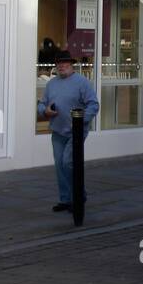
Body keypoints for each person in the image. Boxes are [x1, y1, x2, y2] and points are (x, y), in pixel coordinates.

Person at [37, 52, 100, 213]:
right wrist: (45, 111)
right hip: (58, 131)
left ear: (71, 65)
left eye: (65, 63)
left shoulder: (82, 82)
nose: (61, 66)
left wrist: (81, 120)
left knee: (68, 162)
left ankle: (78, 196)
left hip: (76, 132)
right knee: (60, 165)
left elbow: (93, 104)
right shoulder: (52, 84)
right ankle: (65, 199)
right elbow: (42, 105)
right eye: (59, 63)